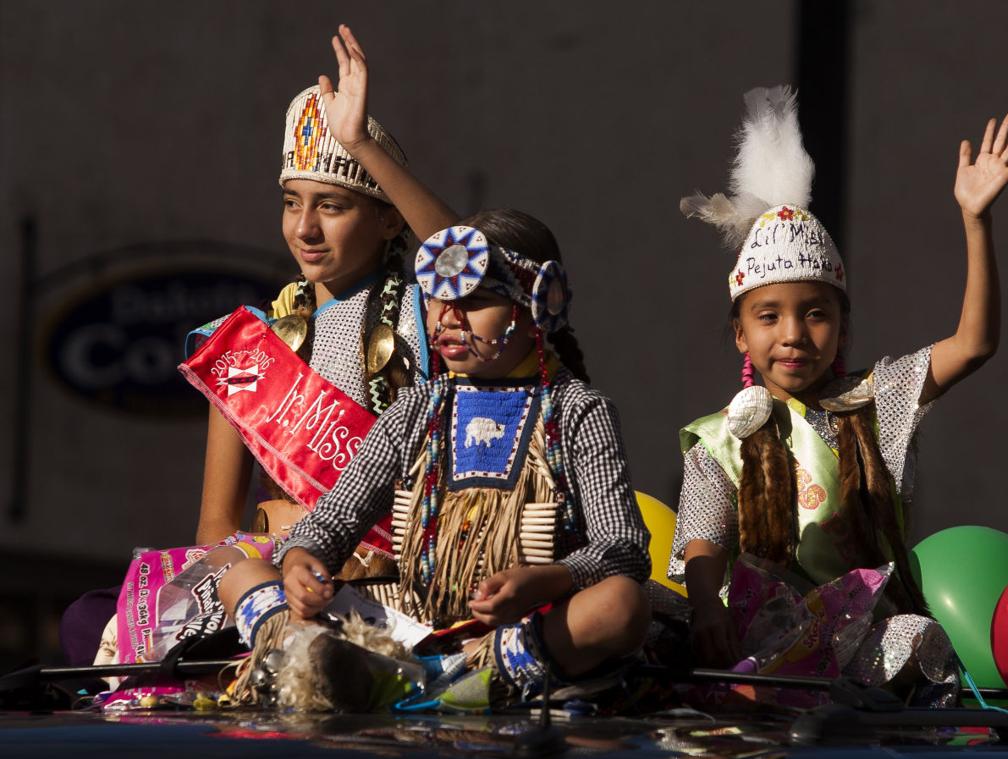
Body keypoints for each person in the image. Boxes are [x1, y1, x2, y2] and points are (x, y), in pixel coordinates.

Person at [58, 25, 458, 666]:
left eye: (330, 205)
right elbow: (214, 528)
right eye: (291, 203)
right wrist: (270, 547)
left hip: (390, 575)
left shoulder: (424, 316)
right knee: (89, 621)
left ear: (387, 219)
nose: (304, 228)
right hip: (270, 577)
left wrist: (359, 144)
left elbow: (468, 263)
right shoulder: (249, 343)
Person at [670, 87, 1008, 698]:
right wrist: (707, 607)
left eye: (814, 314)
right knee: (642, 614)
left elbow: (973, 344)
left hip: (862, 637)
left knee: (914, 641)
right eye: (768, 317)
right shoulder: (720, 436)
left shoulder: (878, 397)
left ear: (842, 328)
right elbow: (702, 539)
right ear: (740, 334)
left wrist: (976, 221)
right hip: (754, 631)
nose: (792, 335)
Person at [218, 208, 652, 709]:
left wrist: (546, 580)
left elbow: (623, 548)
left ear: (536, 307)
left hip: (515, 632)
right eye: (438, 298)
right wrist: (301, 564)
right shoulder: (418, 408)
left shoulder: (578, 411)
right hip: (410, 625)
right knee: (241, 572)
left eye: (476, 300)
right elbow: (331, 523)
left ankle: (439, 680)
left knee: (621, 606)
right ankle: (348, 662)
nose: (447, 317)